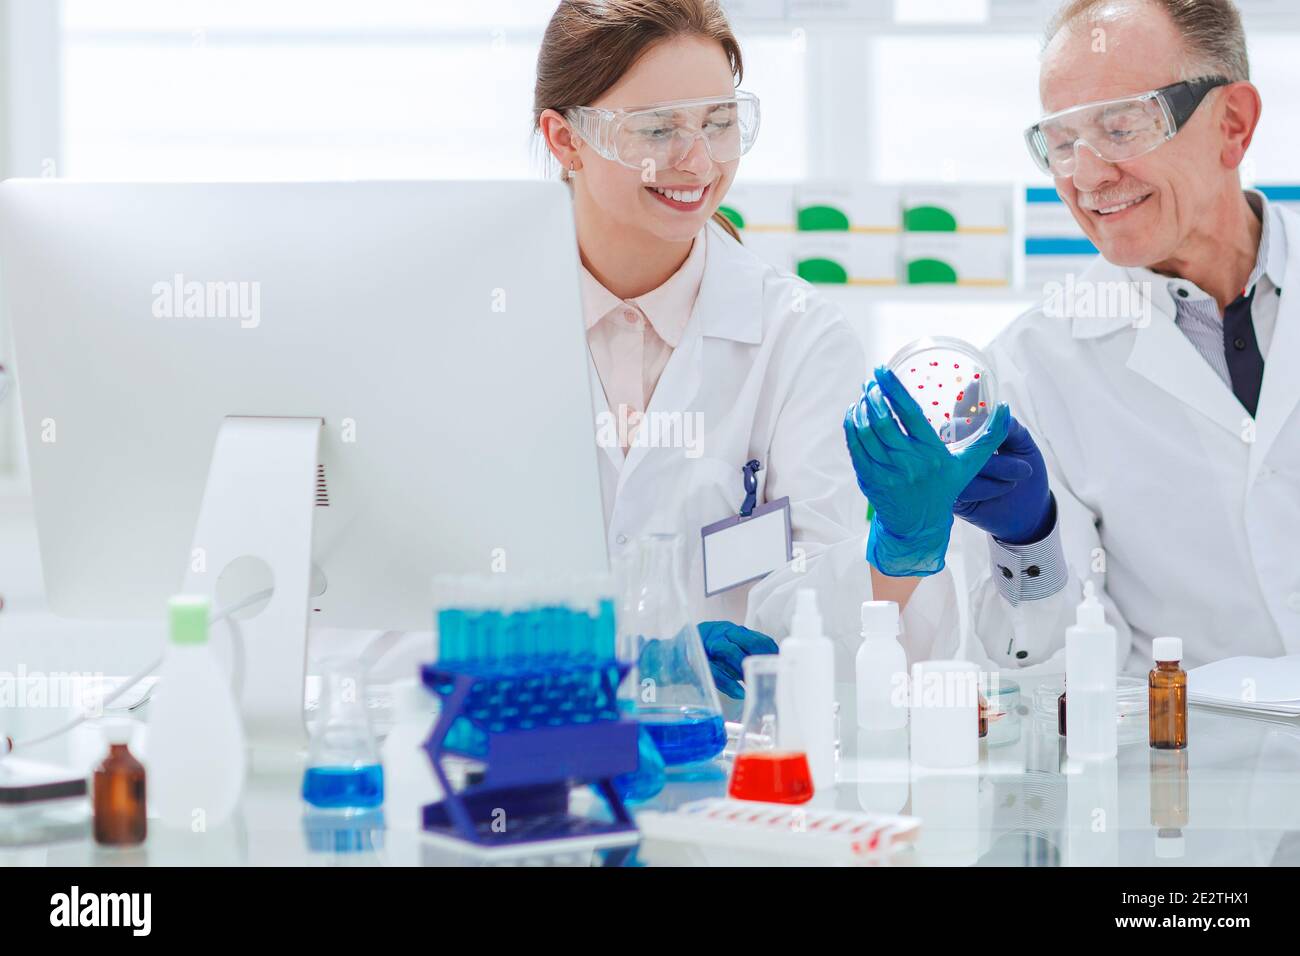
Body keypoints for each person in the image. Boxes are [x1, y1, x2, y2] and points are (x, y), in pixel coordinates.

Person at [850, 0, 1300, 673]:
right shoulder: (1032, 368)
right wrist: (1030, 543)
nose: (1088, 177)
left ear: (1232, 125)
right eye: (1062, 144)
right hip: (1199, 764)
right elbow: (1060, 671)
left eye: (1122, 127)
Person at [534, 0, 942, 692]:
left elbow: (821, 627)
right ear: (565, 139)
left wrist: (897, 555)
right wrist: (625, 668)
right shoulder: (485, 323)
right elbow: (402, 604)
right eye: (657, 128)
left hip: (725, 766)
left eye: (719, 124)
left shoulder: (800, 340)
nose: (697, 161)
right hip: (517, 758)